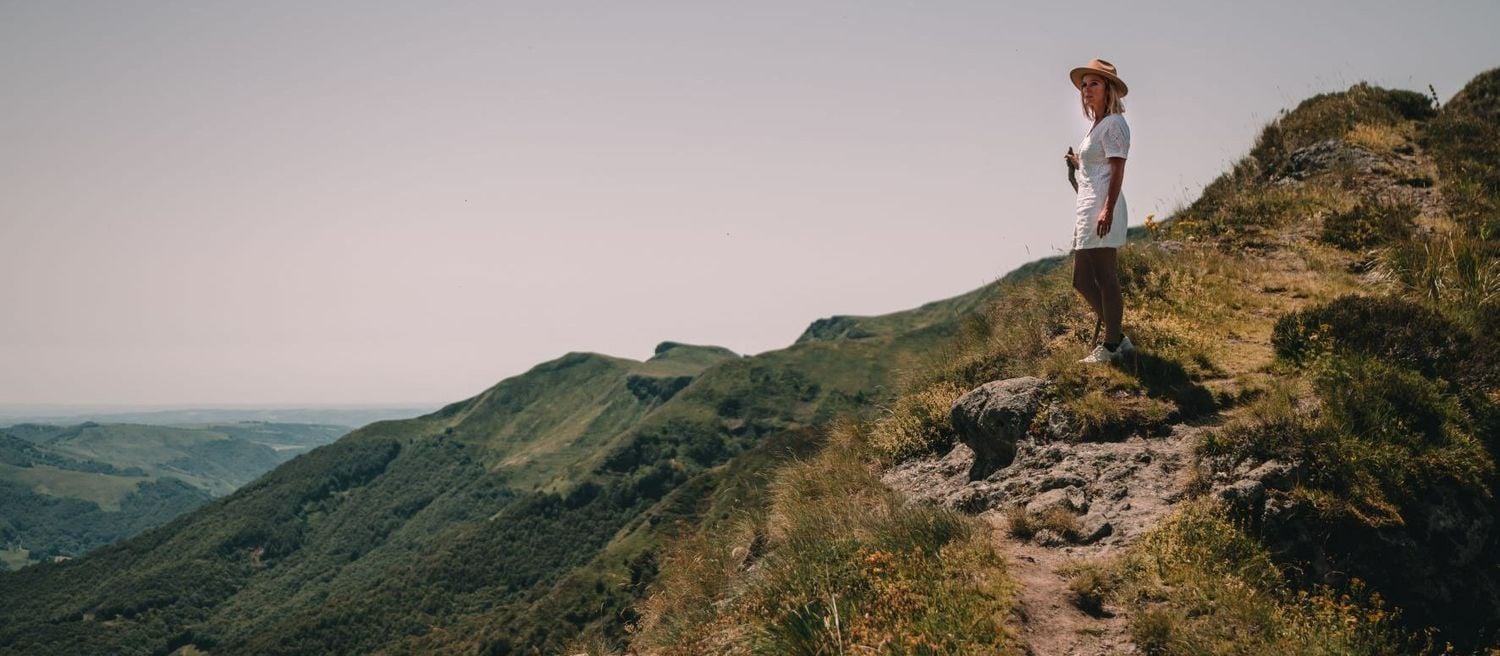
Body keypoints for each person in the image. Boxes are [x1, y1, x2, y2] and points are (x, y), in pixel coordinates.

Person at [1064, 58, 1135, 363]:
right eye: (1084, 84)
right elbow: (1098, 168)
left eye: (1094, 83)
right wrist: (1077, 165)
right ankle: (1117, 338)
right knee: (1081, 280)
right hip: (1087, 207)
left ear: (1109, 90)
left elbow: (1117, 169)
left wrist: (1107, 208)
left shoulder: (1115, 124)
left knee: (1106, 277)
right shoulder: (1096, 127)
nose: (1086, 89)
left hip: (1102, 206)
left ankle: (1110, 347)